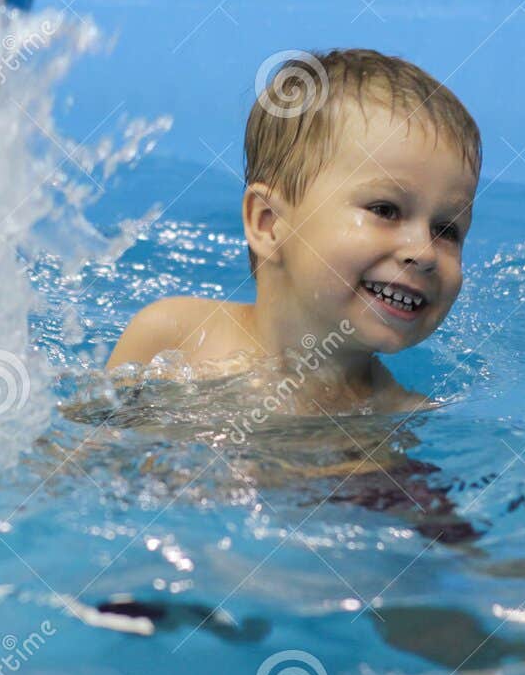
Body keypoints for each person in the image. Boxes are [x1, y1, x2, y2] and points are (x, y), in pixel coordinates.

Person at [106, 48, 480, 415]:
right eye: (385, 210)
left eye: (446, 230)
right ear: (269, 223)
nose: (425, 252)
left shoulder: (396, 417)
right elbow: (81, 454)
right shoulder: (175, 337)